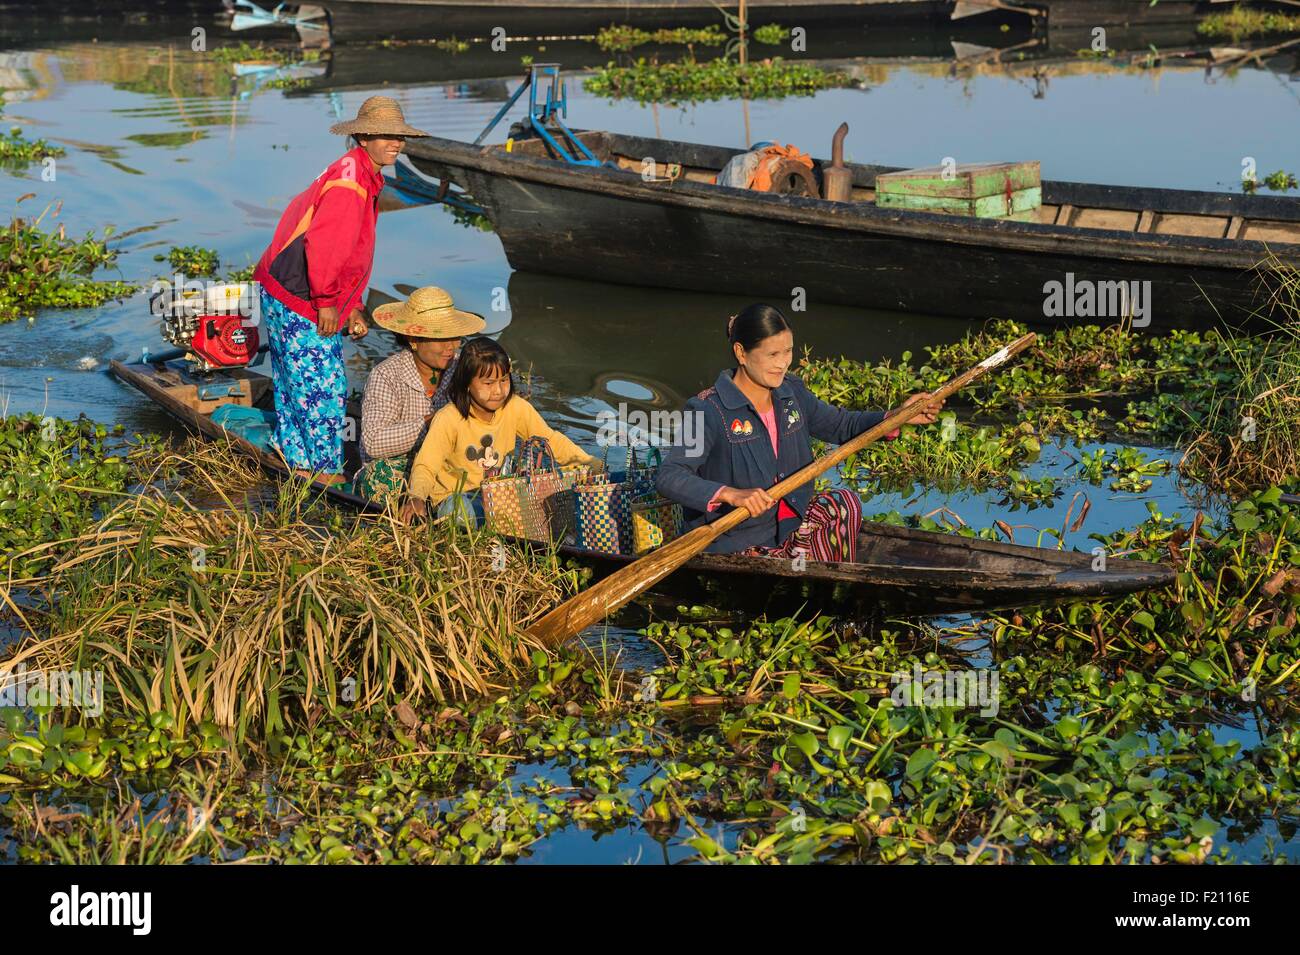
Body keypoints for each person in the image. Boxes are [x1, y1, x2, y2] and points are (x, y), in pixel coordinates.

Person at [656, 304, 943, 560]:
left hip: (788, 526)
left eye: (788, 351)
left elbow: (841, 425)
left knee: (841, 503)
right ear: (741, 353)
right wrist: (731, 494)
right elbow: (671, 475)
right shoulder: (705, 410)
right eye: (772, 354)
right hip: (737, 540)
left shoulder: (790, 392)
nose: (783, 363)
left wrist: (896, 417)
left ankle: (826, 579)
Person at [252, 96, 430, 485]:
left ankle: (298, 461)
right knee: (325, 389)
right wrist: (329, 303)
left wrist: (352, 306)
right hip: (301, 292)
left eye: (399, 137)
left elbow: (352, 251)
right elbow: (327, 249)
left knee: (294, 380)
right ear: (364, 136)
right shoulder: (351, 183)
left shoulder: (363, 173)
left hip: (288, 287)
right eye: (386, 136)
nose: (396, 143)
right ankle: (326, 473)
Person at [400, 338, 603, 524]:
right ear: (467, 384)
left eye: (504, 380)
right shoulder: (449, 418)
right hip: (456, 496)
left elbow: (550, 440)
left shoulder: (515, 407)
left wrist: (590, 464)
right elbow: (426, 464)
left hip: (500, 495)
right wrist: (416, 498)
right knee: (460, 513)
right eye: (488, 383)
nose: (498, 391)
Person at [354, 287, 486, 501]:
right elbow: (373, 442)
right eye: (441, 339)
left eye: (455, 338)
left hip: (451, 465)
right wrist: (437, 421)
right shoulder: (387, 375)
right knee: (378, 479)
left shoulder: (464, 367)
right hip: (401, 467)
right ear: (413, 339)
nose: (451, 347)